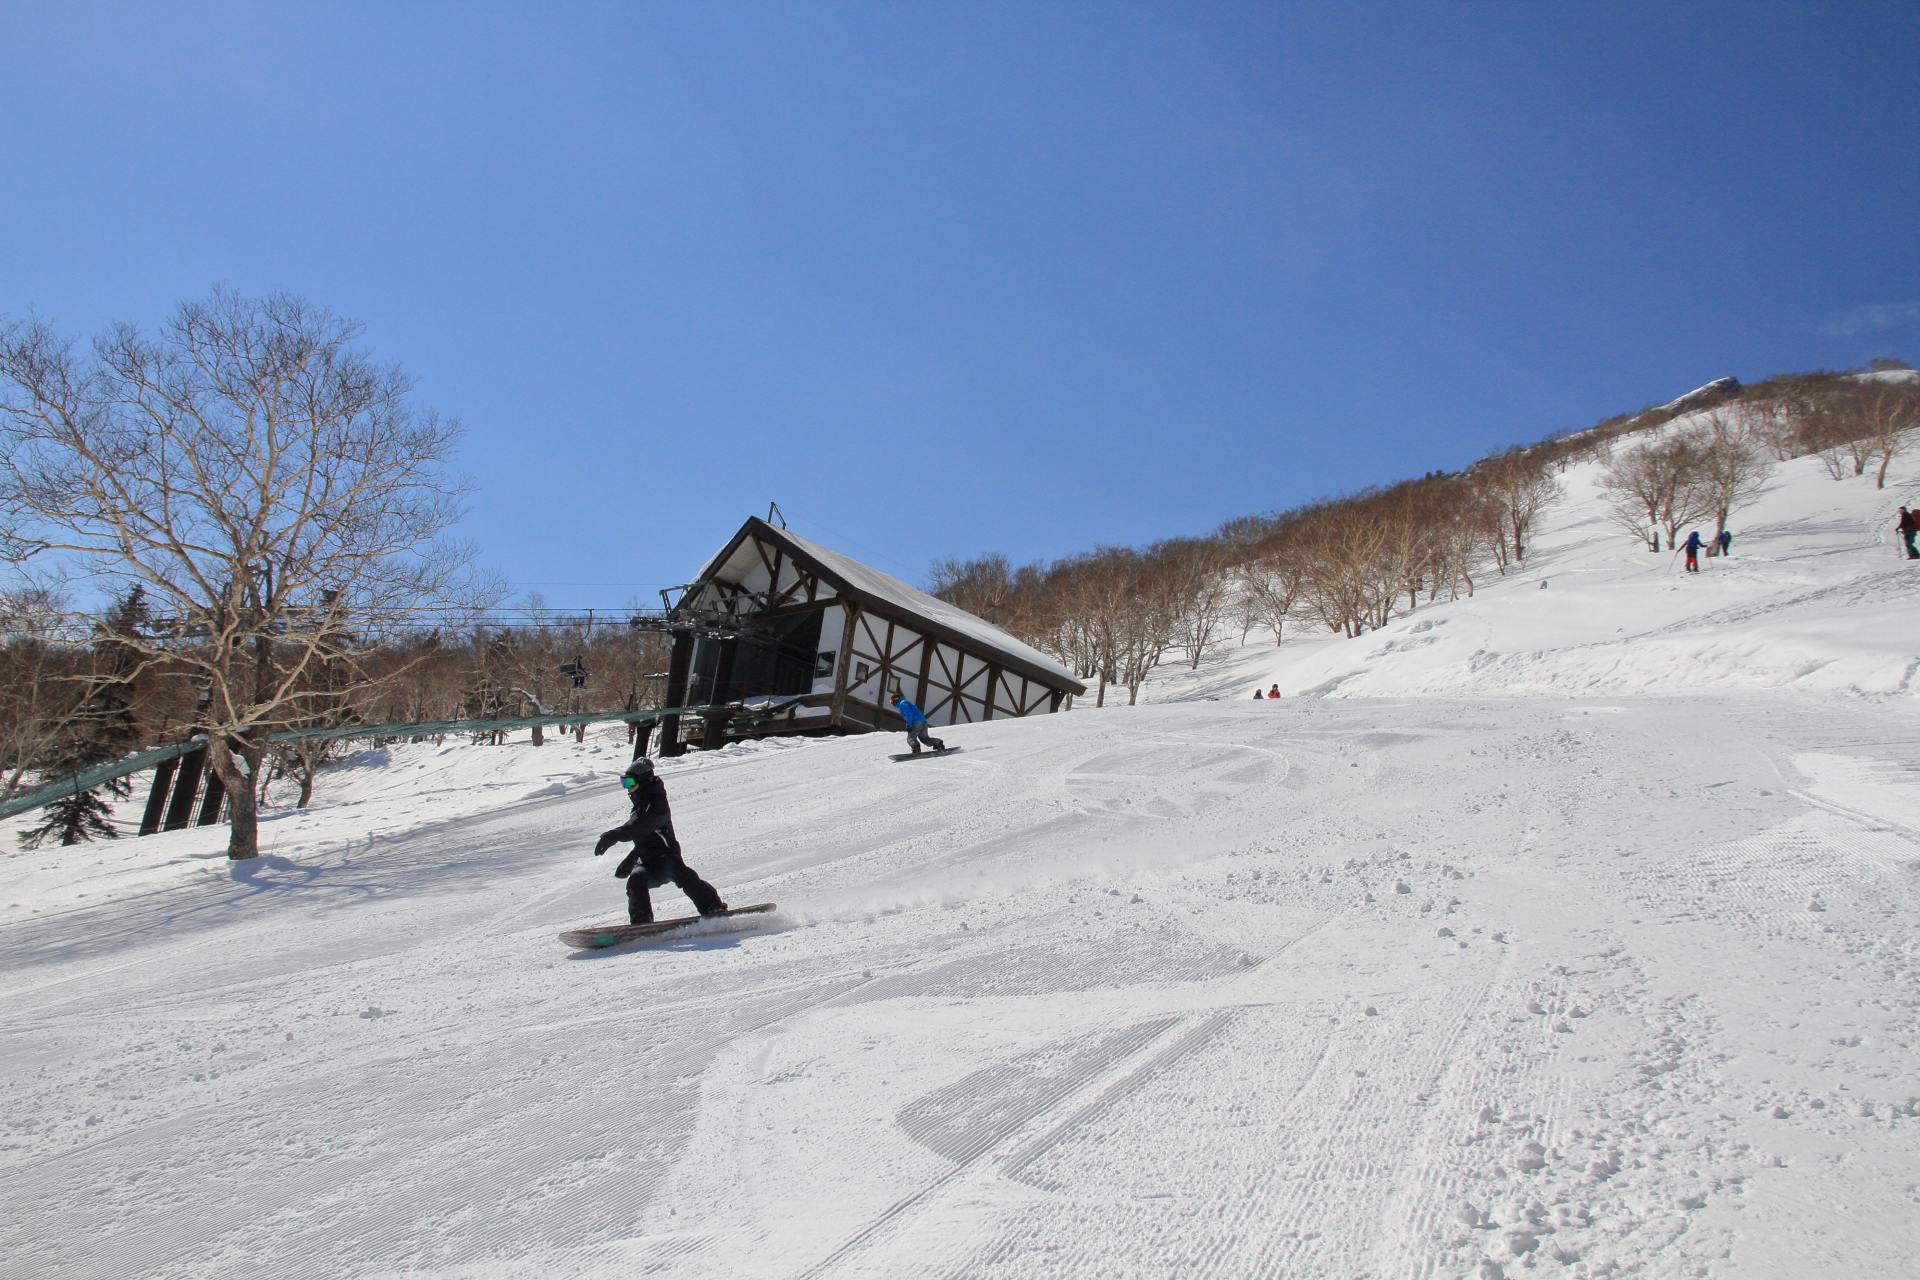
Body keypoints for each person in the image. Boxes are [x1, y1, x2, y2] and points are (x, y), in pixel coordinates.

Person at [592, 757, 727, 924]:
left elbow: (639, 827)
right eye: (624, 783)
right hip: (648, 861)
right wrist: (630, 860)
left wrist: (612, 836)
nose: (627, 788)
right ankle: (642, 922)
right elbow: (644, 838)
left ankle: (713, 907)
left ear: (643, 781)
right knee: (636, 880)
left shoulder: (657, 805)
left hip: (667, 858)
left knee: (686, 877)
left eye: (630, 782)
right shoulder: (640, 806)